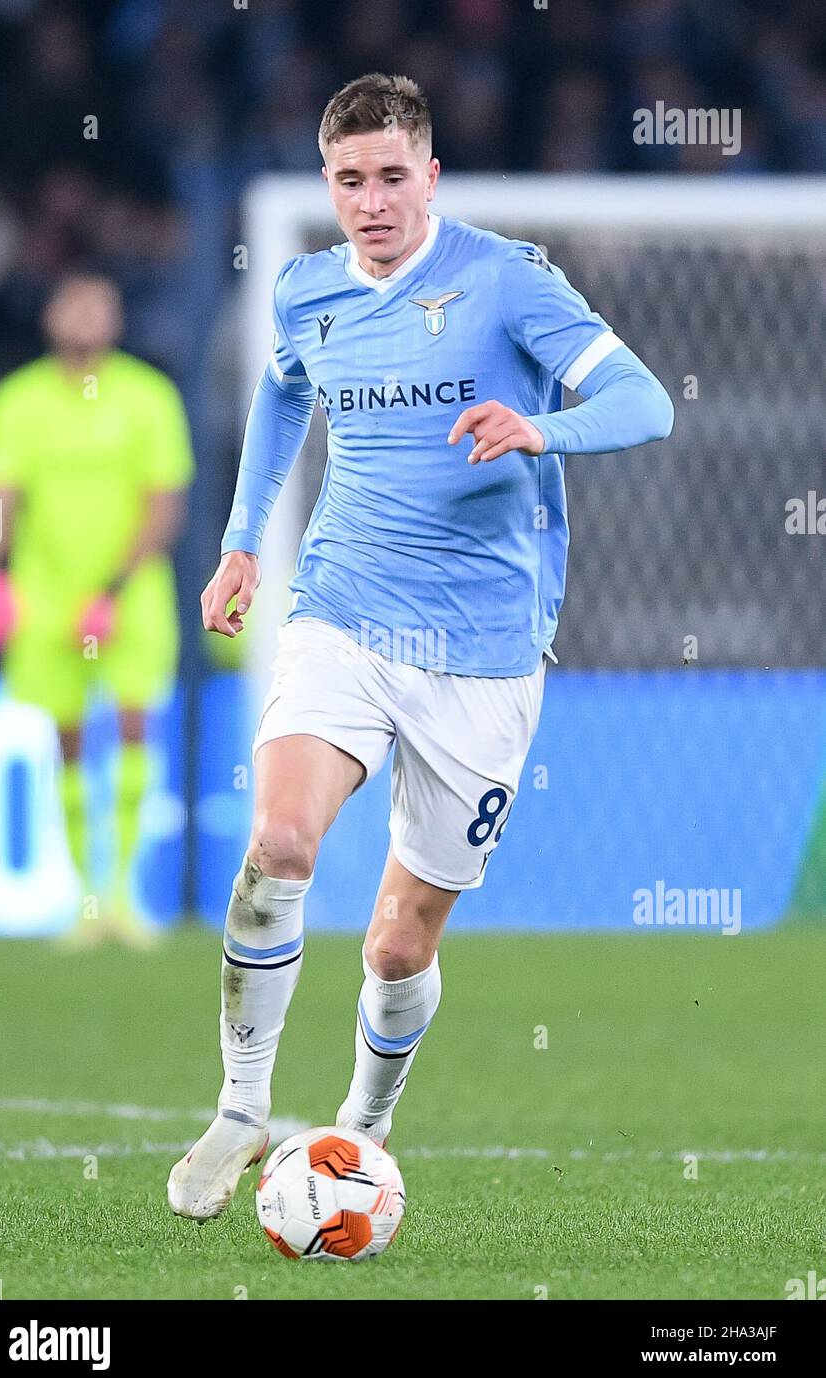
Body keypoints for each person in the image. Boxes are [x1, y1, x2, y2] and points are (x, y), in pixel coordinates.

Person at [168, 73, 673, 1222]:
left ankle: (365, 1122)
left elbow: (651, 404)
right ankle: (243, 1105)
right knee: (281, 840)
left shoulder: (508, 282)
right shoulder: (307, 291)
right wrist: (246, 542)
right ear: (330, 184)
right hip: (342, 611)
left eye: (393, 176)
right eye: (349, 179)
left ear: (430, 176)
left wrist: (540, 425)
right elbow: (285, 396)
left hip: (486, 652)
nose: (371, 201)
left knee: (398, 947)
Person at [0, 273, 194, 945]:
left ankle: (122, 894)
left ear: (116, 319)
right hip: (45, 597)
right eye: (74, 304)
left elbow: (164, 505)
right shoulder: (19, 400)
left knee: (131, 727)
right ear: (52, 316)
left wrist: (112, 591)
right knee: (62, 739)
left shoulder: (147, 398)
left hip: (129, 597)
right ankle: (84, 901)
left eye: (99, 305)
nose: (86, 317)